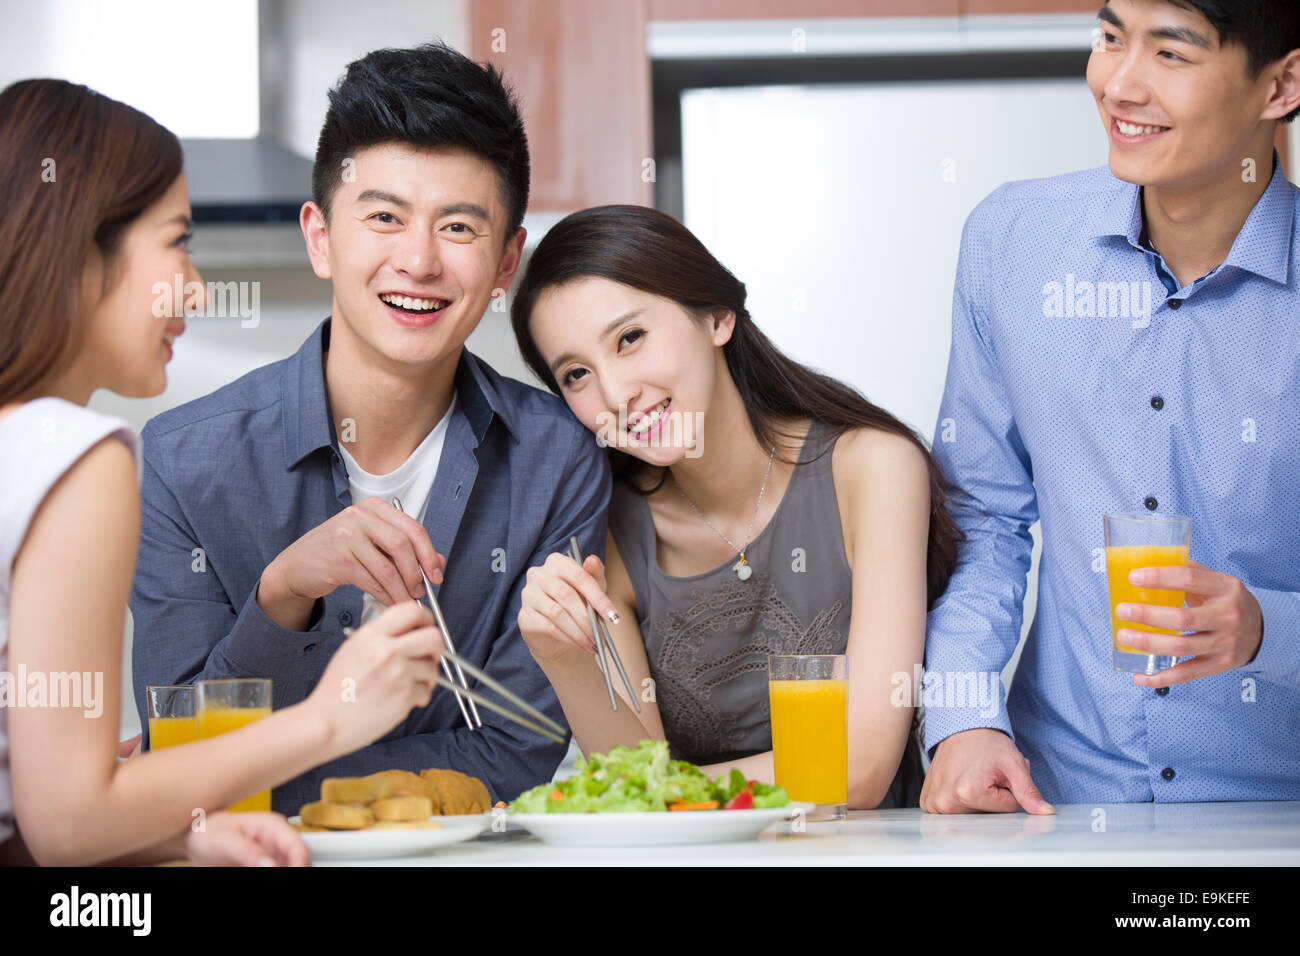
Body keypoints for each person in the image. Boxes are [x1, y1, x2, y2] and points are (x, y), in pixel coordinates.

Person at [129, 42, 610, 814]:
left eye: (458, 227)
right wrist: (283, 594)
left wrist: (261, 769)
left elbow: (515, 748)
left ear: (505, 263)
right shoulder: (185, 462)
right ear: (320, 236)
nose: (417, 261)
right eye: (384, 217)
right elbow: (176, 753)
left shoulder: (559, 460)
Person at [0, 78, 445, 866]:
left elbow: (35, 818)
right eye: (176, 241)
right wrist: (332, 717)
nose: (197, 289)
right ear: (79, 241)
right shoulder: (80, 457)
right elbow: (68, 823)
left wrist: (177, 838)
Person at [921, 0, 1300, 813]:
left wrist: (1270, 630)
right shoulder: (1011, 241)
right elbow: (985, 519)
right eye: (1109, 39)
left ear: (1282, 85)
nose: (1118, 84)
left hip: (1277, 812)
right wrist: (963, 718)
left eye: (1171, 54)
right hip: (1058, 800)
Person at [508, 204, 963, 809]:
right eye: (576, 374)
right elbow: (627, 779)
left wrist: (671, 794)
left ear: (717, 315)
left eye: (631, 338)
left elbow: (861, 763)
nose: (616, 394)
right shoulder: (610, 526)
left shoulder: (872, 468)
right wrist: (564, 660)